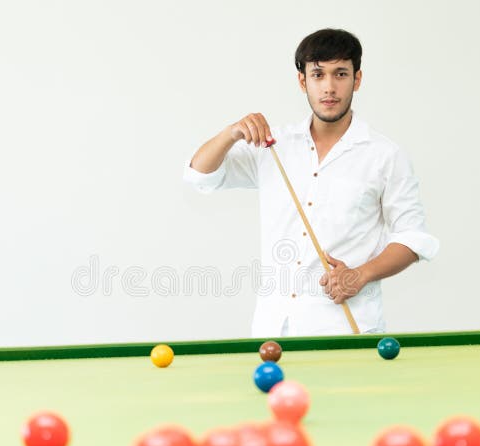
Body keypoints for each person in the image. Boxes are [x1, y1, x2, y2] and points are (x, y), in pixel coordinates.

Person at [183, 28, 439, 336]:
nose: (329, 87)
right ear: (303, 81)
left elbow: (413, 237)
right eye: (318, 75)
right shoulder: (273, 146)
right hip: (272, 331)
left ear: (357, 79)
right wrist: (231, 133)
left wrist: (361, 274)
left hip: (346, 331)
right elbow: (199, 175)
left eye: (340, 74)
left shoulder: (385, 155)